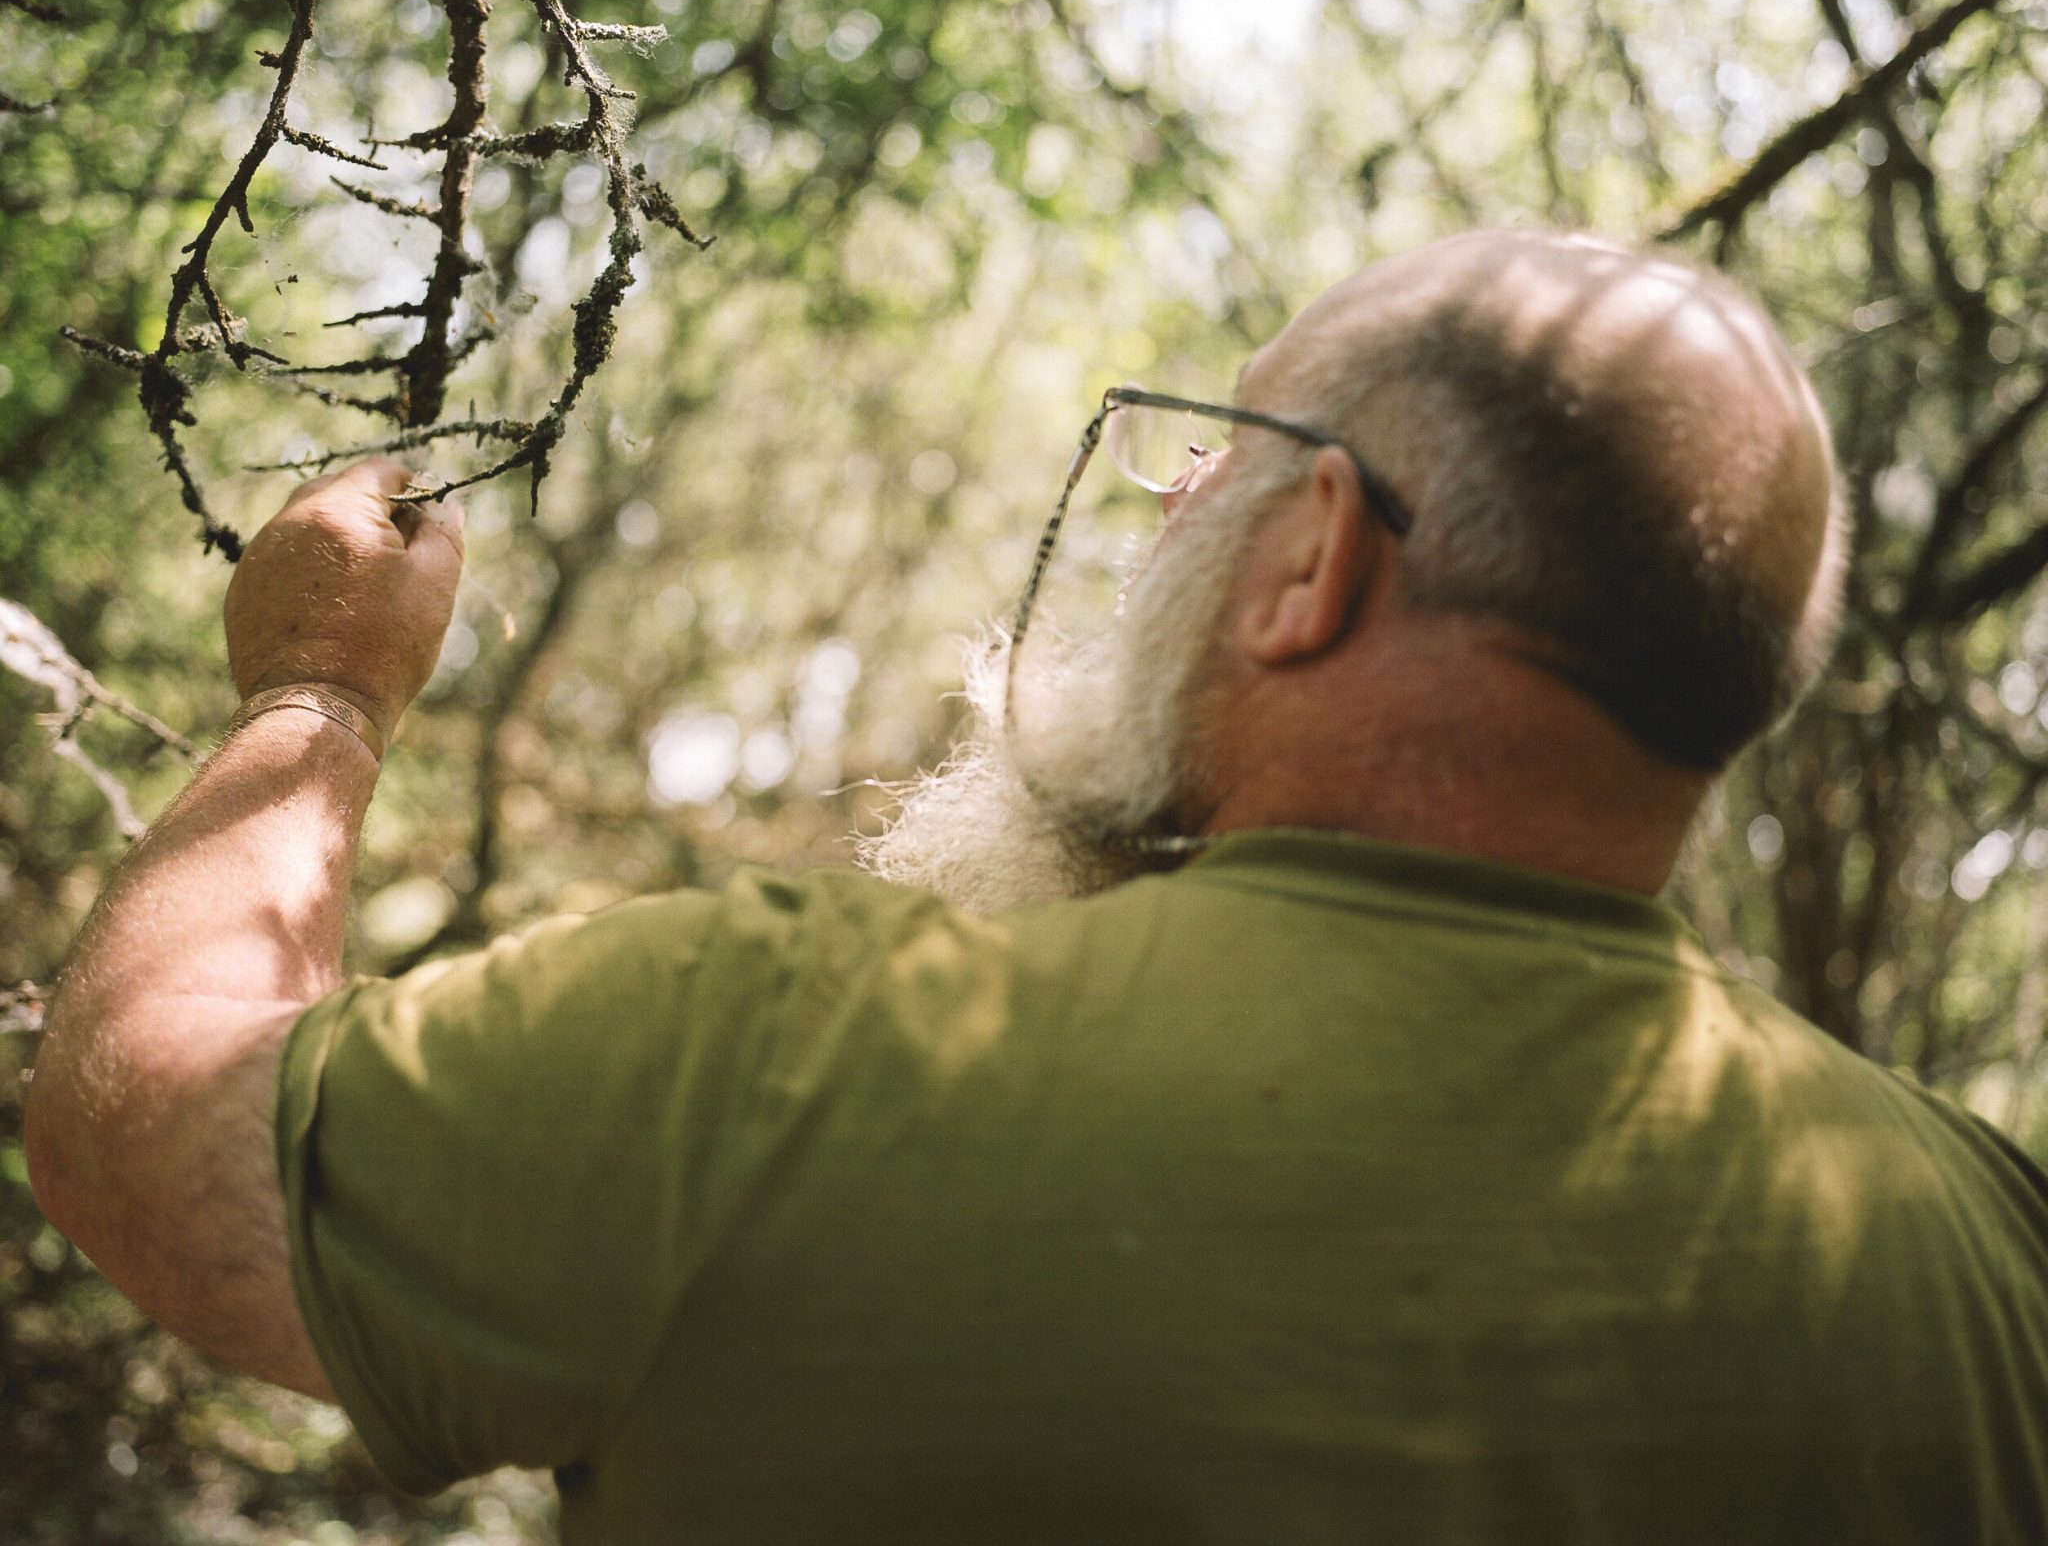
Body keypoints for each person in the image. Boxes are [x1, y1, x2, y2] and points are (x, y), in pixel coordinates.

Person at [24, 229, 2048, 1544]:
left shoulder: (790, 1051)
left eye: (1219, 457)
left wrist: (315, 690)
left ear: (1308, 556)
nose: (1174, 499)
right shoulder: (1983, 1256)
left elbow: (157, 1135)